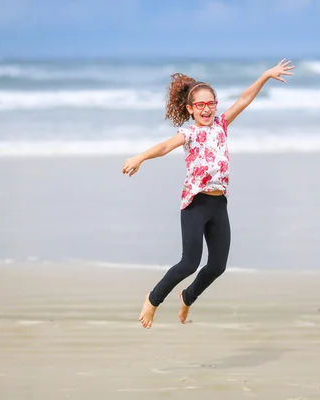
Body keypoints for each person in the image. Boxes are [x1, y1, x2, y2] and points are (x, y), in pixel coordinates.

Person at [122, 58, 294, 329]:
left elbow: (244, 99)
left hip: (218, 205)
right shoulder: (189, 134)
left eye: (210, 103)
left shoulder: (222, 125)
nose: (206, 109)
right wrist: (140, 157)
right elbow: (166, 146)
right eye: (200, 105)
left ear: (216, 105)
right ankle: (153, 300)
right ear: (190, 109)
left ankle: (188, 296)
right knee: (189, 263)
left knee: (217, 266)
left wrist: (265, 76)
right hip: (195, 204)